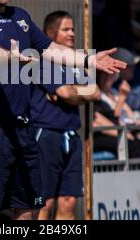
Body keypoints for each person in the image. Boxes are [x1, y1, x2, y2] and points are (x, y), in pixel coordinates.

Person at [0, 0, 126, 220]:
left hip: (23, 129)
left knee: (27, 208)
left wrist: (89, 59)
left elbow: (50, 49)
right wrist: (6, 57)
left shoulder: (20, 17)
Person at [31, 11, 100, 220]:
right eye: (66, 29)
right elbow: (65, 92)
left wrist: (72, 93)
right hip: (46, 135)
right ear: (51, 34)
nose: (72, 33)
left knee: (68, 201)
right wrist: (77, 92)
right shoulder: (41, 60)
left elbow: (95, 91)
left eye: (72, 28)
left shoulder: (77, 62)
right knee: (46, 202)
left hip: (71, 134)